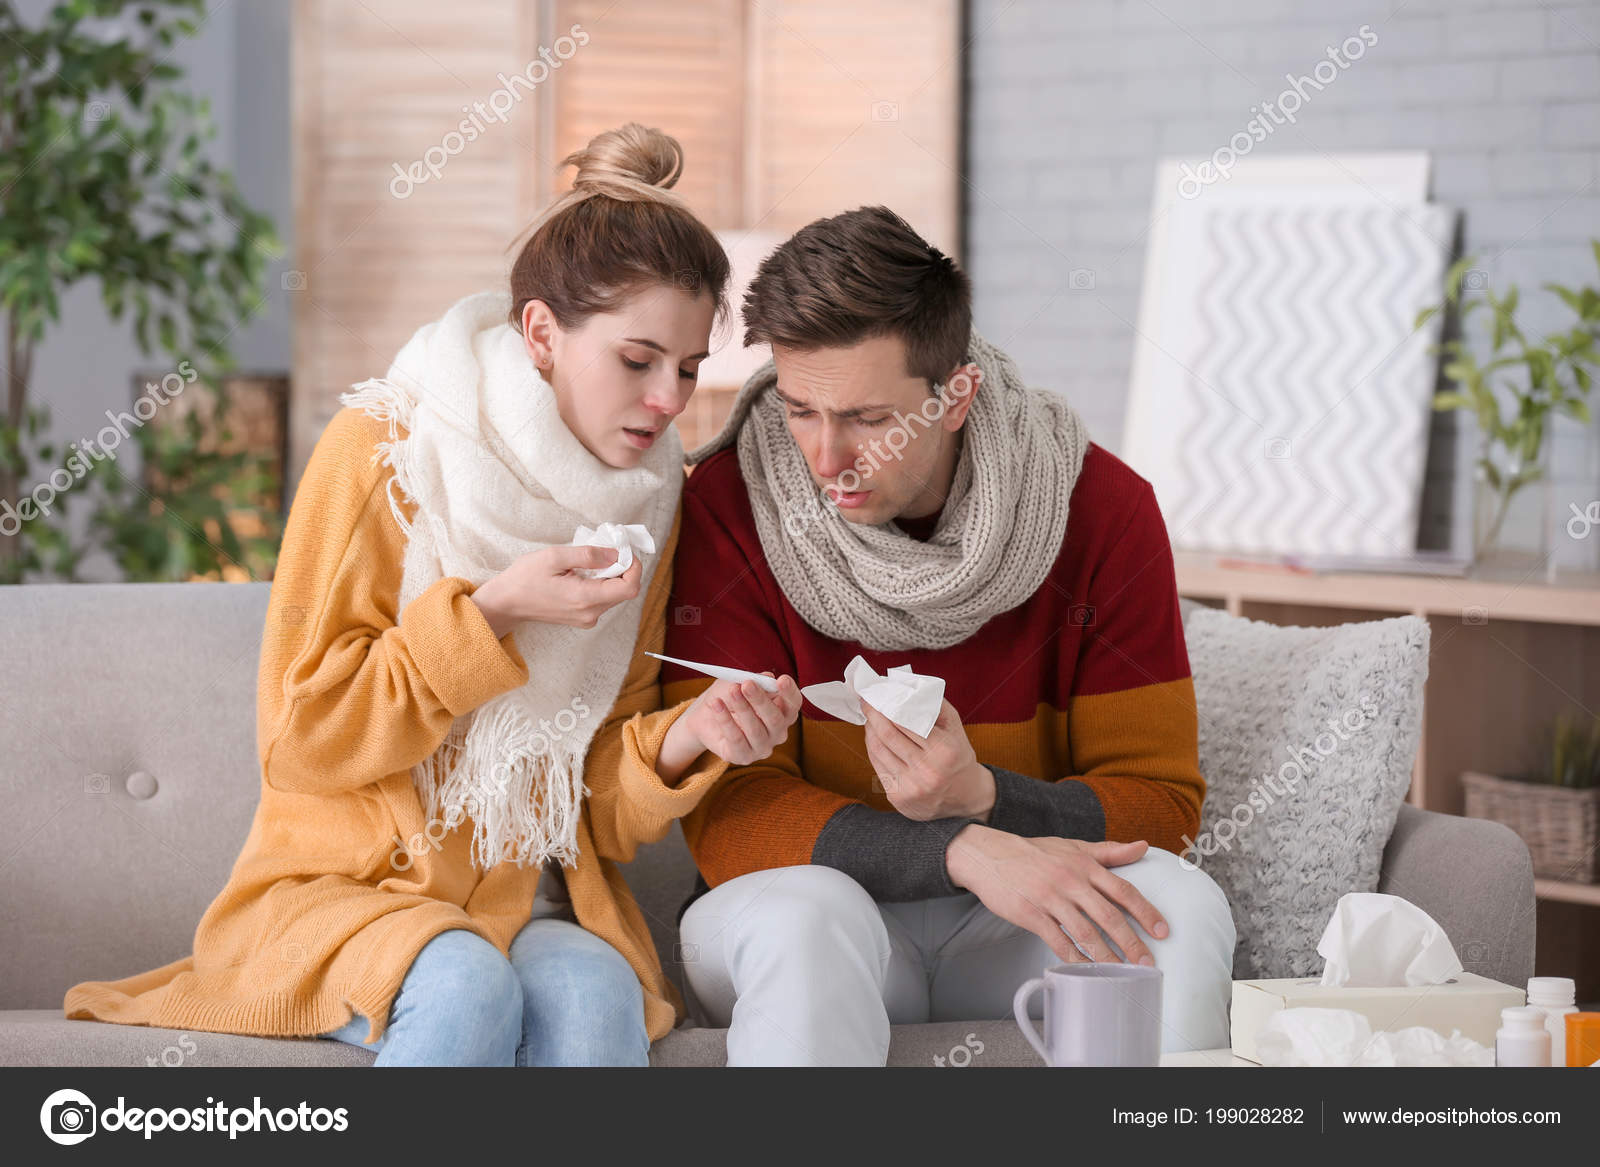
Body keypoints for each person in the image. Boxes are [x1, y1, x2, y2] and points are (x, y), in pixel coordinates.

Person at [64, 124, 802, 1066]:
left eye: (690, 368)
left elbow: (591, 803)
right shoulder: (388, 449)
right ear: (542, 333)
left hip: (524, 899)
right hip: (348, 891)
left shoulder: (651, 501)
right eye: (638, 359)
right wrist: (491, 614)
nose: (670, 400)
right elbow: (302, 739)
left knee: (596, 999)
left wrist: (687, 736)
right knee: (463, 984)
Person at [660, 205, 1235, 1066]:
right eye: (800, 409)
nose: (825, 459)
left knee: (1179, 906)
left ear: (955, 396)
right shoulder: (730, 506)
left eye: (866, 418)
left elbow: (1162, 804)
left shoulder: (1103, 510)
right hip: (818, 906)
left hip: (1016, 913)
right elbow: (730, 814)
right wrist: (961, 846)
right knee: (806, 919)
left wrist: (985, 795)